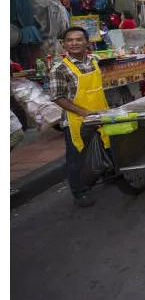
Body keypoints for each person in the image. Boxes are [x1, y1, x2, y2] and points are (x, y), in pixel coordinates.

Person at [49, 27, 111, 208]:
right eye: (70, 40)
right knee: (76, 158)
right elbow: (58, 97)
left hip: (99, 113)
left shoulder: (94, 61)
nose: (74, 43)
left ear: (87, 42)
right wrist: (83, 113)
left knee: (105, 145)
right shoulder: (59, 69)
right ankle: (79, 192)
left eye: (78, 40)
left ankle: (105, 173)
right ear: (64, 44)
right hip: (76, 120)